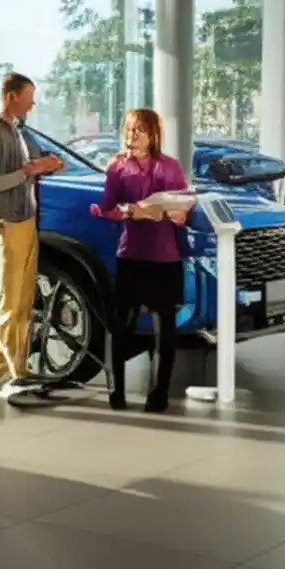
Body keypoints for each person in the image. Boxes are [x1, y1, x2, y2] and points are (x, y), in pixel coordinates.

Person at [0, 73, 64, 401]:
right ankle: (7, 374)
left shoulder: (18, 132)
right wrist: (31, 170)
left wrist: (45, 166)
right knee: (9, 298)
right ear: (11, 97)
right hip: (3, 224)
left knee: (22, 299)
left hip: (24, 221)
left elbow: (27, 171)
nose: (32, 103)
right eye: (28, 97)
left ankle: (7, 373)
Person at [99, 108, 190, 413]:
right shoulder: (117, 167)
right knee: (119, 328)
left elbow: (181, 214)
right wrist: (126, 211)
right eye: (128, 129)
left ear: (153, 135)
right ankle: (116, 393)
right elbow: (108, 209)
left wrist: (154, 212)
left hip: (165, 260)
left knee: (165, 332)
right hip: (131, 257)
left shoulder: (170, 167)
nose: (132, 135)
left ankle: (158, 395)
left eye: (139, 130)